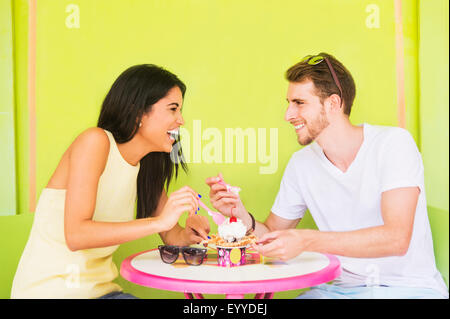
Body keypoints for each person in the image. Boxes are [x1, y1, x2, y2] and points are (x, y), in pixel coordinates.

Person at [206, 53, 448, 299]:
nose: (288, 115)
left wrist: (307, 240)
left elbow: (396, 239)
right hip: (334, 291)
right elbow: (272, 236)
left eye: (299, 103)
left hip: (408, 289)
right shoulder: (301, 165)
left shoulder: (393, 144)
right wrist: (240, 215)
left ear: (333, 103)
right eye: (289, 103)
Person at [11, 64, 210, 299]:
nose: (181, 121)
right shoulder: (95, 142)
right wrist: (159, 221)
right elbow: (77, 235)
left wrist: (189, 234)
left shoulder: (147, 168)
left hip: (104, 294)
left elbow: (170, 235)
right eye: (173, 109)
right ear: (138, 112)